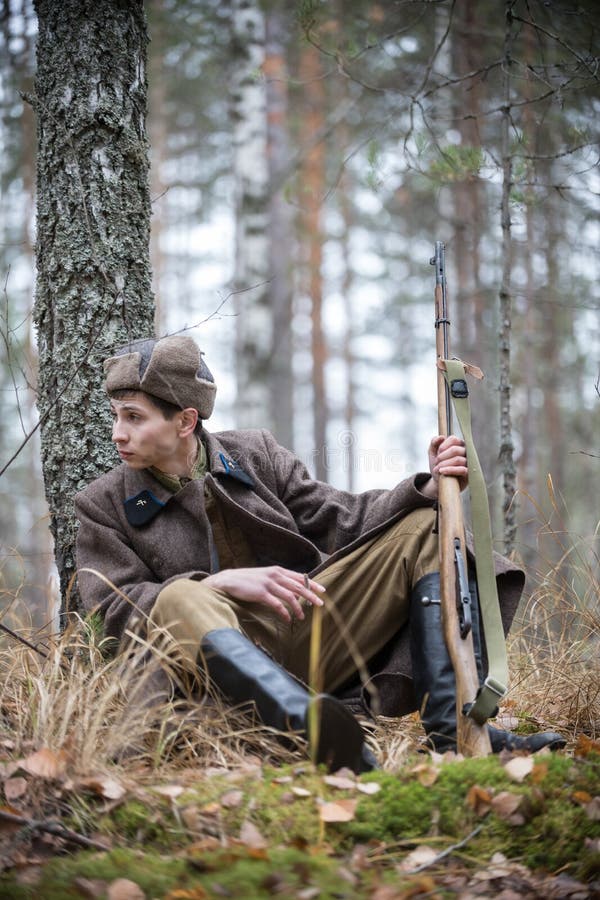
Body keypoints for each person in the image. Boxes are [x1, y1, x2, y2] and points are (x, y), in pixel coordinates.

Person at [74, 335, 564, 772]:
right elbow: (109, 613)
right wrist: (214, 586)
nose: (118, 433)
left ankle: (456, 732)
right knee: (180, 599)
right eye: (117, 416)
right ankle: (311, 730)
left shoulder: (254, 455)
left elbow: (342, 518)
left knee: (423, 529)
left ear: (185, 421)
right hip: (205, 682)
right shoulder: (102, 505)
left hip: (304, 636)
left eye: (133, 418)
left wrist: (427, 486)